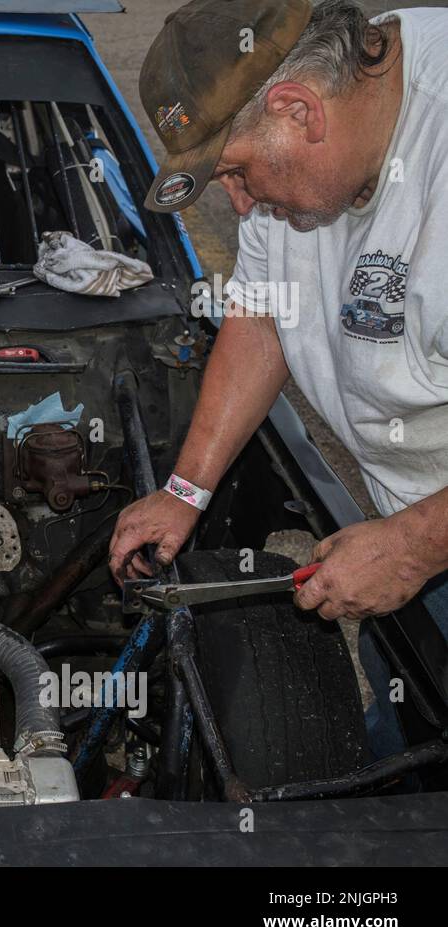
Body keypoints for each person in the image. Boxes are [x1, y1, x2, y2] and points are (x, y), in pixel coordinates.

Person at [111, 0, 448, 755]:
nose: (237, 203)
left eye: (235, 171)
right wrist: (185, 489)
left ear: (299, 111)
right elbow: (264, 317)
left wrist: (415, 546)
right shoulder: (313, 139)